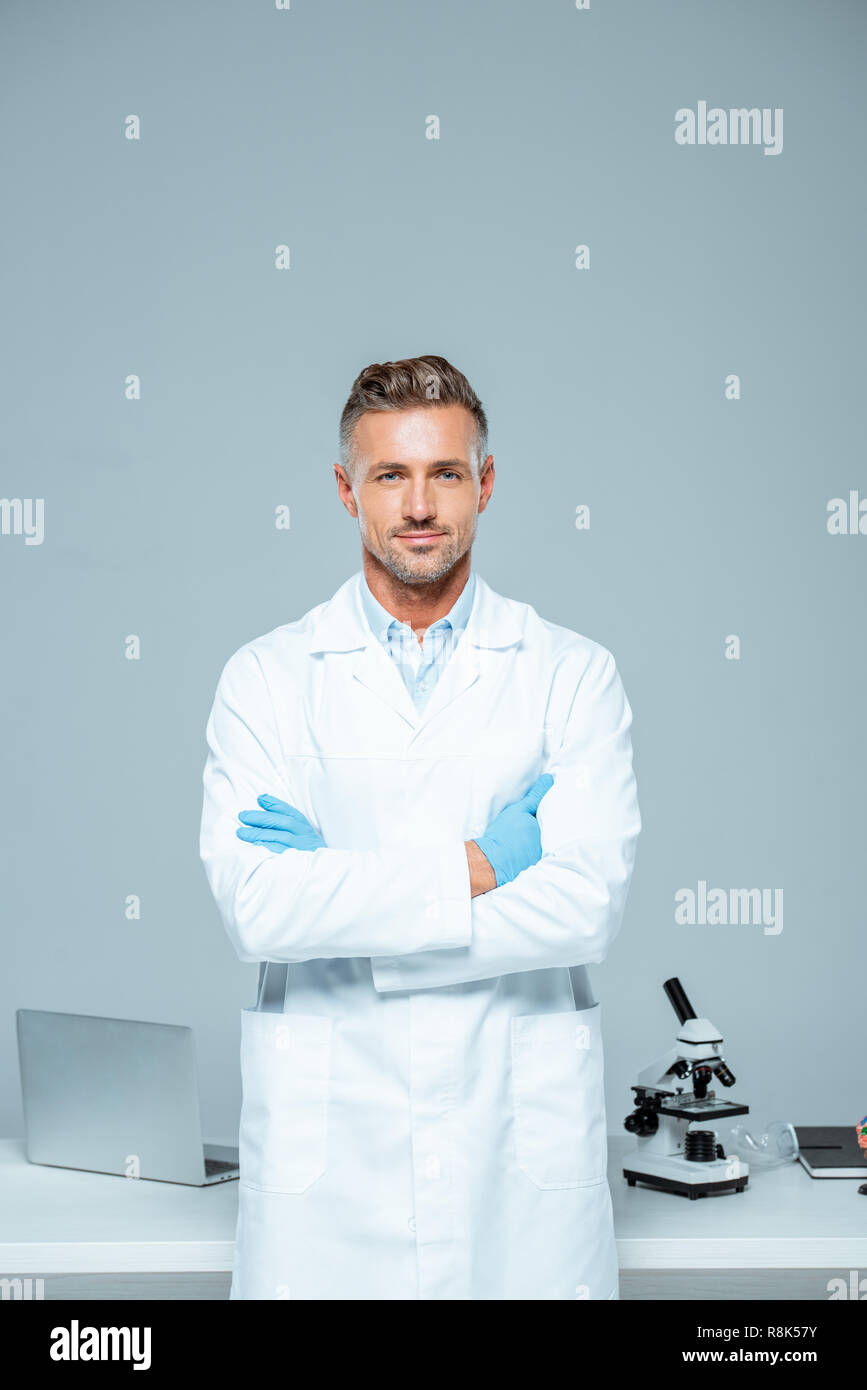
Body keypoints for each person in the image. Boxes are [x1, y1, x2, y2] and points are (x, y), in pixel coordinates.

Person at [199, 354, 641, 1300]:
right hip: (331, 1176)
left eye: (444, 472)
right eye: (389, 475)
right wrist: (480, 867)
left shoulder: (569, 673)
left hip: (514, 1165)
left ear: (484, 483)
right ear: (344, 490)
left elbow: (581, 910)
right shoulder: (268, 680)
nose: (419, 505)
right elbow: (260, 913)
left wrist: (345, 901)